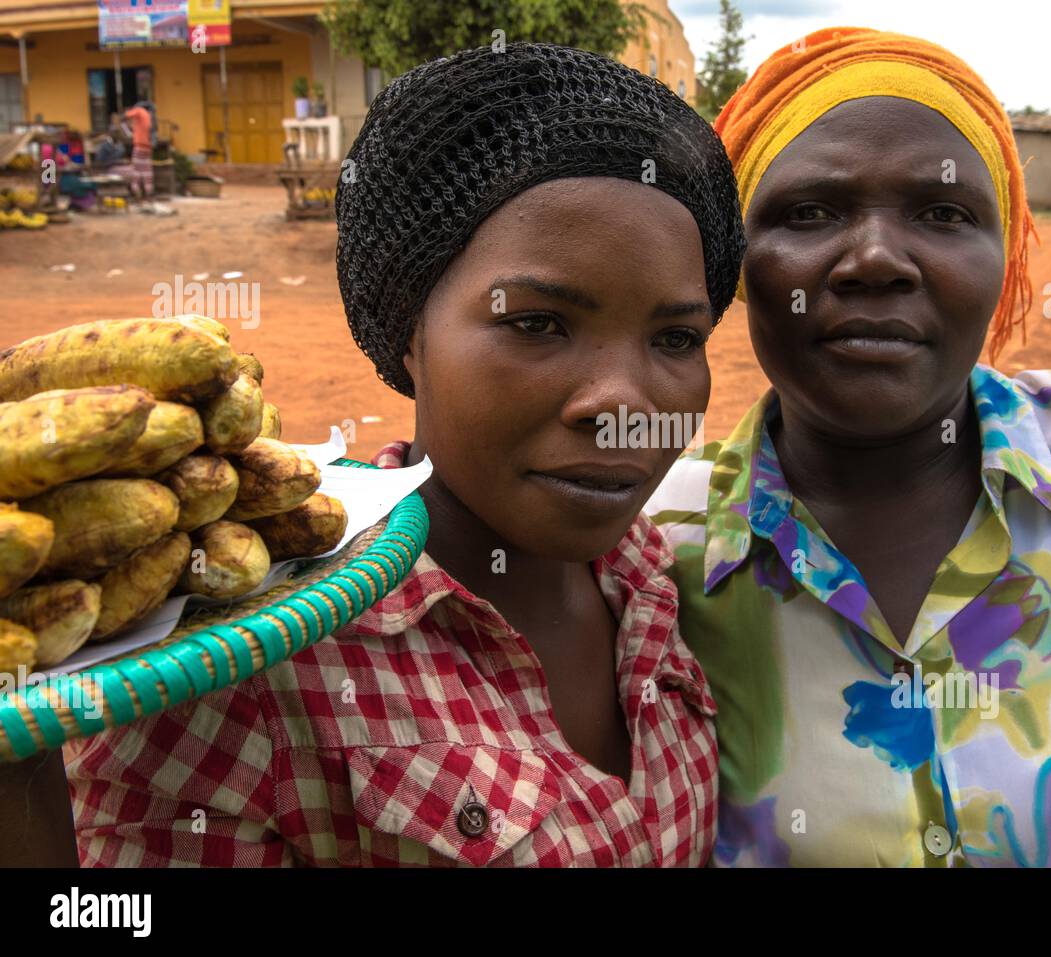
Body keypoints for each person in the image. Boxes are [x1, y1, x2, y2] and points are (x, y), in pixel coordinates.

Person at [1, 43, 743, 867]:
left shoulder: (660, 579)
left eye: (677, 337)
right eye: (538, 323)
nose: (623, 404)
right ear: (409, 331)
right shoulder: (247, 675)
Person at [646, 27, 1051, 867]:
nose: (876, 260)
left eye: (944, 212)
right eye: (808, 212)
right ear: (731, 263)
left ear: (1004, 254)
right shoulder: (654, 560)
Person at [123, 101, 153, 198]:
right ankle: (148, 191)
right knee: (146, 170)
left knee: (136, 170)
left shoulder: (139, 110)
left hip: (139, 145)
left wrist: (126, 113)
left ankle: (136, 191)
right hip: (147, 147)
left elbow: (128, 114)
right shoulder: (148, 116)